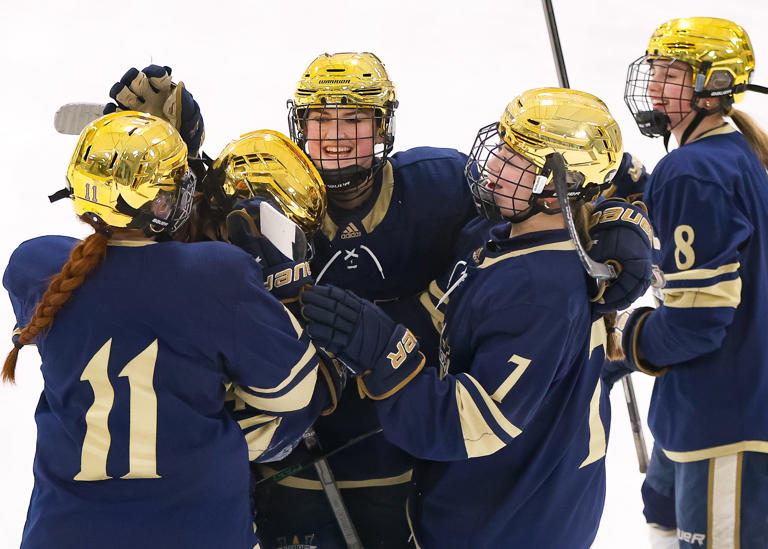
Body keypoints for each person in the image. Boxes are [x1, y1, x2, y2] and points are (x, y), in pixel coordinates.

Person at [300, 88, 653, 548]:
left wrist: (386, 353)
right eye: (502, 146)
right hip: (509, 509)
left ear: (556, 190)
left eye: (515, 159)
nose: (493, 165)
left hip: (513, 526)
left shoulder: (539, 291)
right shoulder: (504, 237)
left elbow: (470, 425)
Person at [3, 111, 331, 549]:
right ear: (159, 205)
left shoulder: (35, 266)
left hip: (63, 534)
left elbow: (121, 293)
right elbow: (294, 393)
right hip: (197, 533)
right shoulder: (218, 275)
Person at [617, 16, 768, 549]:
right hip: (693, 402)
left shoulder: (692, 171)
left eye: (672, 73)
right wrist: (643, 189)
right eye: (656, 69)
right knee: (659, 518)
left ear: (714, 84)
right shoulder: (730, 151)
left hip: (725, 419)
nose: (655, 85)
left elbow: (698, 323)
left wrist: (630, 339)